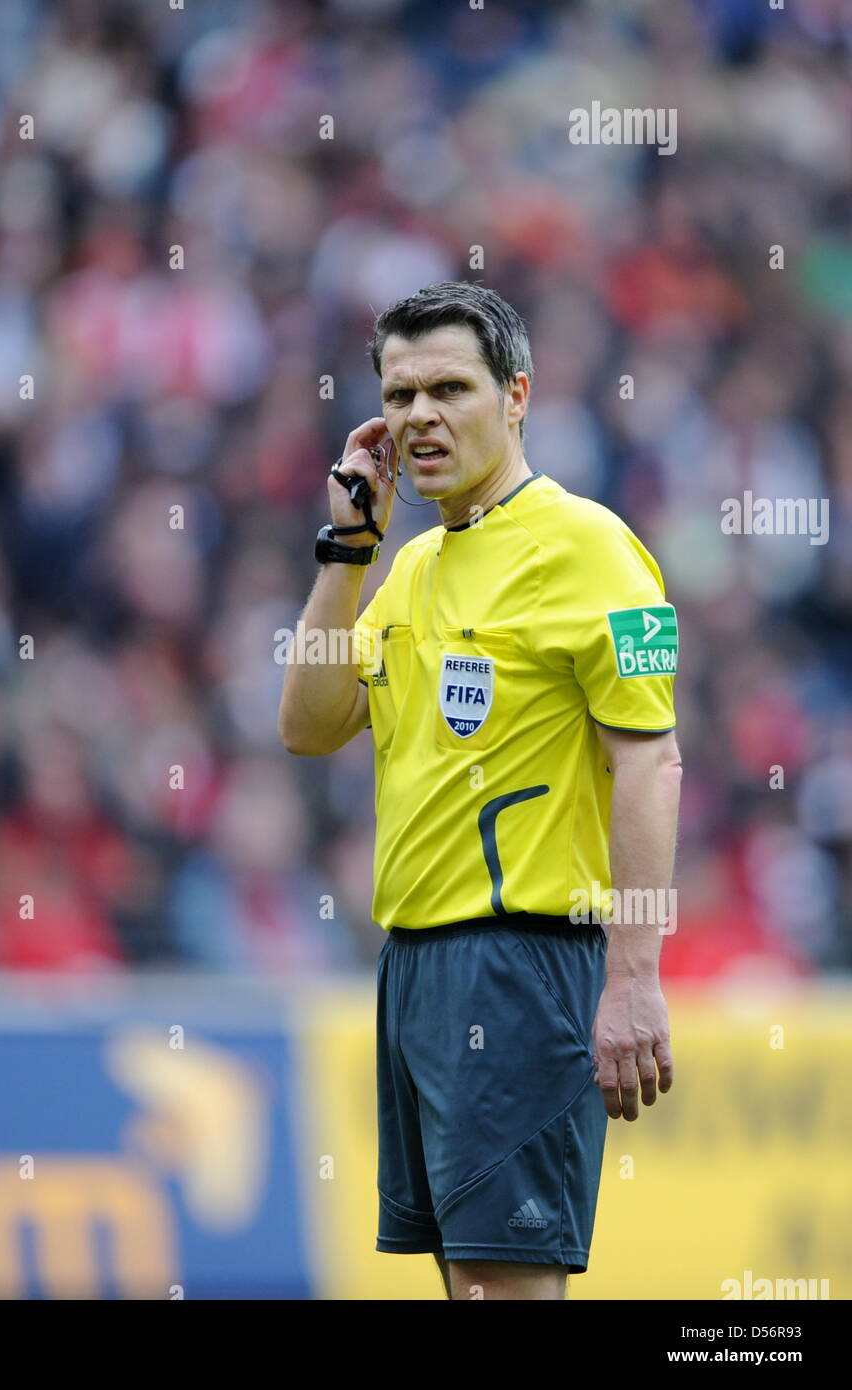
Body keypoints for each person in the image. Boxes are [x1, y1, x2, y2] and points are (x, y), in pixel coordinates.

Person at [278, 281, 681, 1301]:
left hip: (522, 966)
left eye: (448, 388)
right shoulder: (410, 566)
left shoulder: (591, 547)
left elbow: (651, 760)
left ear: (516, 395)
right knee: (471, 1286)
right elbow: (308, 724)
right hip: (414, 969)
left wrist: (633, 977)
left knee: (507, 1290)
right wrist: (347, 550)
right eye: (399, 393)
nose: (419, 416)